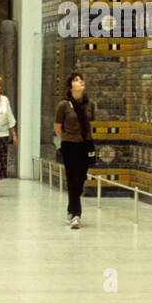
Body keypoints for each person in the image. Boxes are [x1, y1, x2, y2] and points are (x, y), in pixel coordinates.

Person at [53, 71, 96, 228]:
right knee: (73, 179)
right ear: (70, 87)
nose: (81, 82)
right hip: (70, 145)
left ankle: (71, 209)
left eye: (81, 79)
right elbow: (57, 127)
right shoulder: (64, 105)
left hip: (85, 144)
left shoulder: (89, 104)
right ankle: (76, 215)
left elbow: (90, 123)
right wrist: (64, 141)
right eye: (77, 80)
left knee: (81, 178)